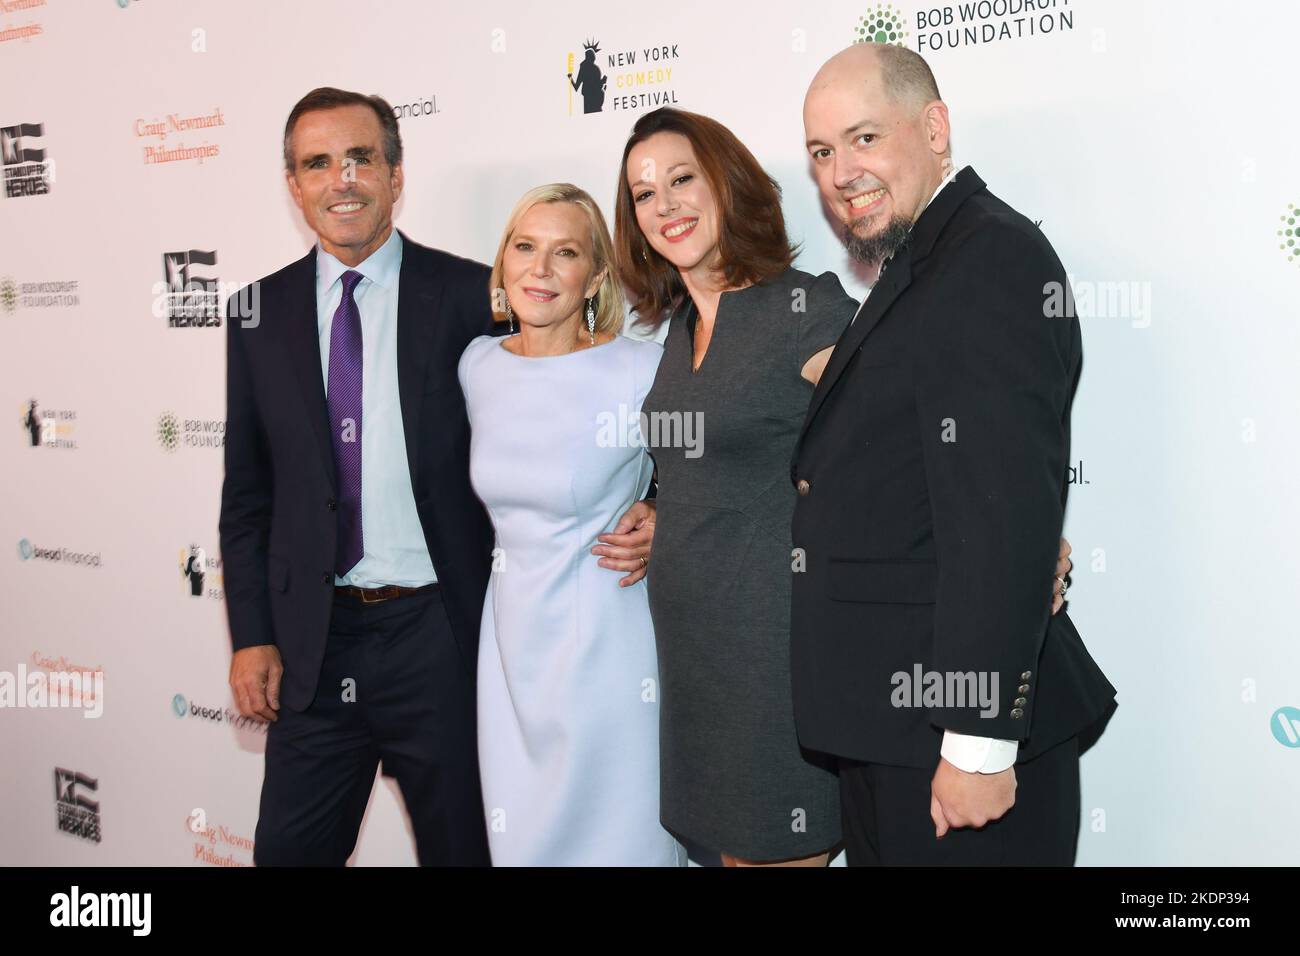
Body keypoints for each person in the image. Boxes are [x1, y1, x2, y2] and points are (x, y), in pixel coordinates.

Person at [219, 88, 654, 866]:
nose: (341, 179)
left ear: (395, 173)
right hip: (314, 650)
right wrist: (252, 635)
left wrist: (655, 503)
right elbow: (247, 492)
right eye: (318, 163)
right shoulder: (256, 312)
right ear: (294, 184)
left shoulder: (470, 297)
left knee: (465, 852)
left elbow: (569, 409)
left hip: (443, 638)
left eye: (361, 158)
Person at [793, 43, 1115, 865]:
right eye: (822, 153)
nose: (840, 173)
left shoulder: (989, 259)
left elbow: (1002, 516)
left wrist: (977, 746)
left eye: (863, 139)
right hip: (895, 736)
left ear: (934, 128)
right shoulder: (922, 266)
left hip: (953, 748)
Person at [459, 183, 683, 866]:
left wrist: (664, 512)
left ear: (595, 277)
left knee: (620, 840)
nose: (541, 269)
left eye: (566, 253)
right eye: (525, 247)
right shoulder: (478, 365)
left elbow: (729, 472)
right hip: (508, 653)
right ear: (502, 264)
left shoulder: (642, 369)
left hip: (610, 653)